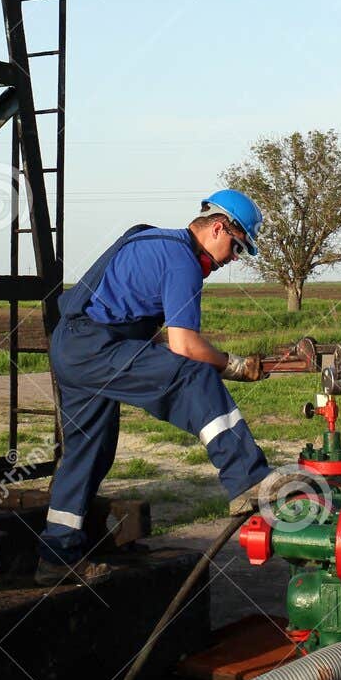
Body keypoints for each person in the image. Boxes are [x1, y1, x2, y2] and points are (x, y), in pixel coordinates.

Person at [36, 190, 289, 584]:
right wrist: (235, 366)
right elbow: (183, 346)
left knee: (89, 450)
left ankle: (56, 555)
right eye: (236, 247)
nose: (233, 259)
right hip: (97, 346)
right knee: (195, 375)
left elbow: (127, 316)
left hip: (72, 346)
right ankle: (248, 478)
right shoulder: (182, 261)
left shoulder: (152, 240)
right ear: (218, 228)